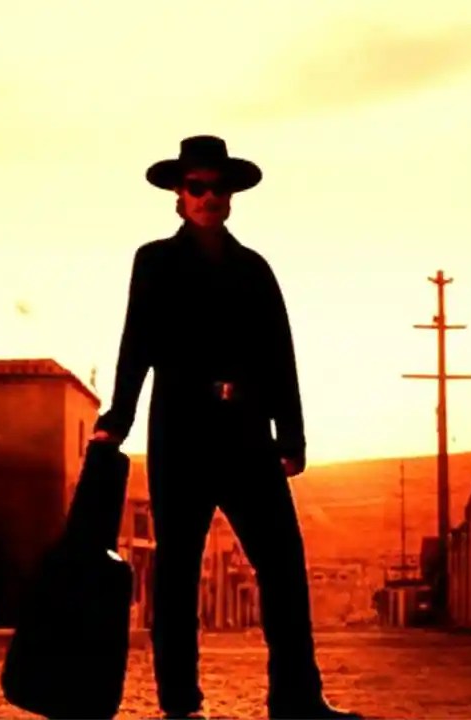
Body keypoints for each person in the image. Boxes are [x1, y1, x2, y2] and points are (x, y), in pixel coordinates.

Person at [91, 136, 359, 720]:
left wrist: (292, 435)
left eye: (219, 187)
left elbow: (279, 353)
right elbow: (136, 342)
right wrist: (119, 416)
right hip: (180, 432)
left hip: (245, 433)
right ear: (179, 197)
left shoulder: (255, 269)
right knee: (179, 569)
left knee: (283, 562)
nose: (209, 196)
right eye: (197, 187)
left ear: (232, 196)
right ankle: (181, 706)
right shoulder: (154, 261)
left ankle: (297, 698)